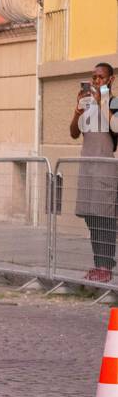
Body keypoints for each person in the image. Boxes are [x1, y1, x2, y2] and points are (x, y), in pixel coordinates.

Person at [70, 62, 118, 282]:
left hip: (105, 169)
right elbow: (73, 133)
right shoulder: (87, 105)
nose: (96, 81)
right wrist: (76, 111)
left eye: (100, 77)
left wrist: (102, 104)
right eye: (94, 77)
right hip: (87, 168)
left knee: (104, 216)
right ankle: (98, 264)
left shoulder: (114, 103)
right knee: (91, 216)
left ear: (111, 80)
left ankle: (106, 266)